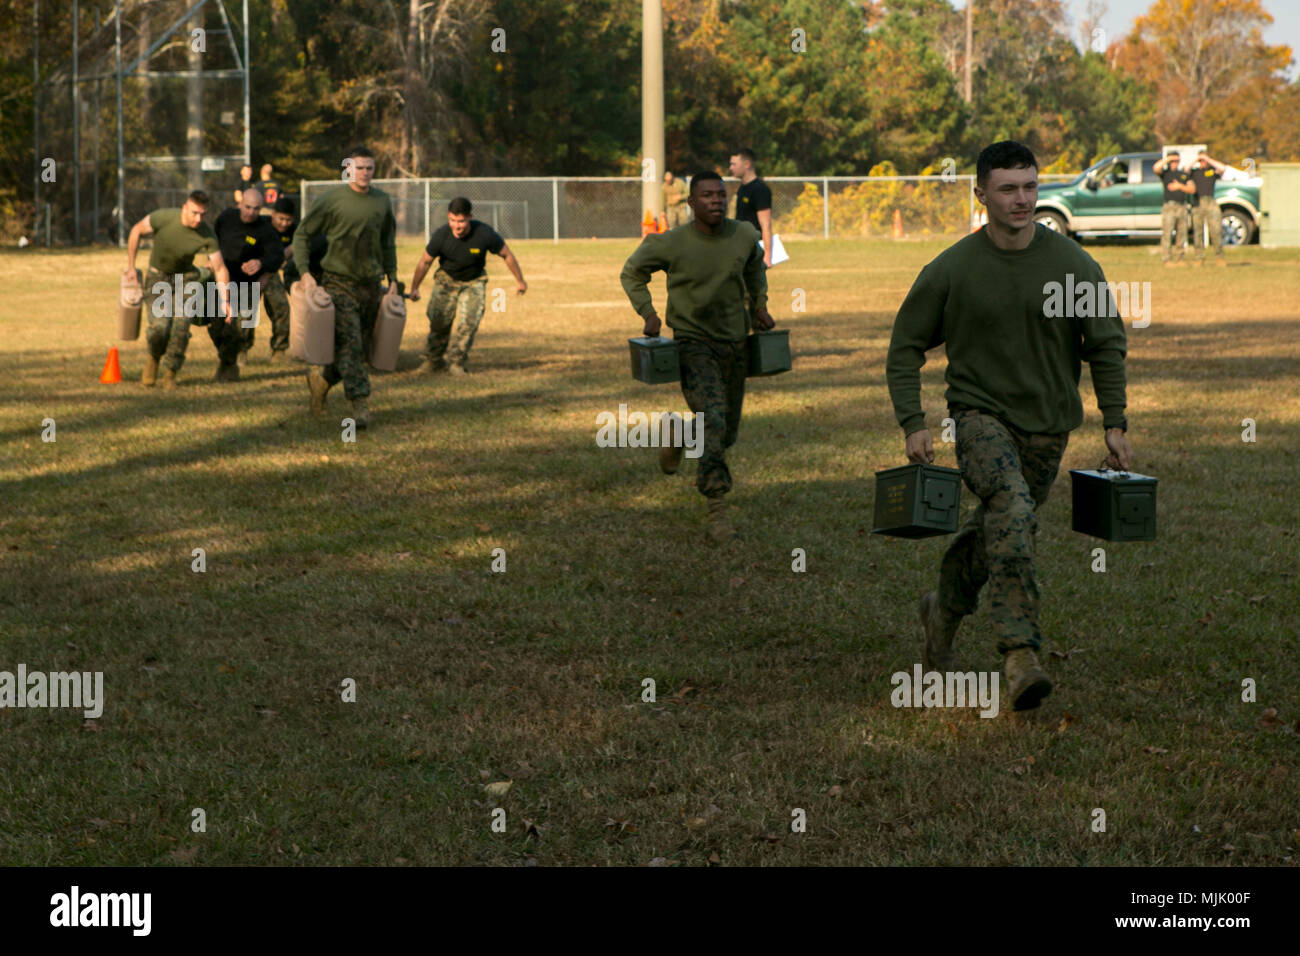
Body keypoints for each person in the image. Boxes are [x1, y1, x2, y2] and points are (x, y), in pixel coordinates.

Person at [886, 140, 1133, 711]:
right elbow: (905, 348)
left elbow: (1105, 345)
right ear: (982, 195)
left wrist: (1114, 420)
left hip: (1050, 427)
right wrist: (913, 421)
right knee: (1014, 511)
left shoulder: (1072, 264)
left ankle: (942, 608)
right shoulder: (952, 268)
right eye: (1008, 189)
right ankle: (1020, 655)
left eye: (1029, 186)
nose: (1022, 200)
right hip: (978, 417)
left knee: (1002, 525)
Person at [619, 170, 773, 545]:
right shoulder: (671, 243)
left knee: (727, 431)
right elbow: (632, 273)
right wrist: (649, 313)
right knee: (715, 422)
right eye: (707, 196)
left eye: (721, 195)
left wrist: (760, 307)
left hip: (735, 343)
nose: (716, 201)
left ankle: (680, 433)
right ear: (691, 203)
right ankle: (717, 512)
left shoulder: (743, 236)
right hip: (693, 343)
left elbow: (755, 271)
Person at [293, 146, 398, 429]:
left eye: (369, 168)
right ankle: (360, 407)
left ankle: (321, 380)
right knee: (350, 346)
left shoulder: (382, 202)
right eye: (359, 167)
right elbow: (302, 234)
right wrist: (305, 273)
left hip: (371, 286)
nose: (365, 173)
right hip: (338, 284)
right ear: (348, 169)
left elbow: (387, 242)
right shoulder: (331, 200)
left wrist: (393, 278)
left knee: (359, 348)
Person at [125, 190, 234, 389]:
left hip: (186, 278)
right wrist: (131, 267)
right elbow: (136, 231)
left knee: (181, 325)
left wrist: (225, 301)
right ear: (185, 208)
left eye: (203, 214)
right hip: (158, 277)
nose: (198, 218)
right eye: (194, 213)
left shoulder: (206, 234)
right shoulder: (164, 218)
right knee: (160, 327)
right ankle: (154, 358)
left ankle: (170, 373)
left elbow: (219, 268)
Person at [407, 197, 527, 376]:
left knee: (468, 324)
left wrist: (520, 281)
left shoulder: (484, 233)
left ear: (470, 217)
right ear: (448, 217)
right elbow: (425, 262)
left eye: (461, 221)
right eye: (453, 221)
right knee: (439, 322)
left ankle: (457, 363)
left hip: (474, 282)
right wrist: (414, 287)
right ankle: (433, 361)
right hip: (446, 280)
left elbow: (507, 255)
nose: (457, 226)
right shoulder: (441, 235)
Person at [212, 187, 284, 379]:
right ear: (240, 204)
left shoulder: (265, 228)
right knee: (218, 321)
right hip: (225, 276)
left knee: (243, 322)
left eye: (256, 209)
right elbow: (212, 240)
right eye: (248, 207)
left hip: (249, 281)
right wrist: (212, 259)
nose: (251, 212)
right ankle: (227, 355)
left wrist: (261, 263)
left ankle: (238, 354)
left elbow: (277, 255)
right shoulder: (226, 217)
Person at [728, 148, 773, 267]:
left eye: (734, 164)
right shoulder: (742, 188)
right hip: (740, 247)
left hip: (753, 249)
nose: (730, 168)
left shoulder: (760, 189)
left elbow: (766, 224)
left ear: (747, 164)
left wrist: (767, 255)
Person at [1153, 151, 1195, 266]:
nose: (1175, 163)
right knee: (1167, 233)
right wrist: (1168, 159)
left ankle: (1180, 258)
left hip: (1182, 206)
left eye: (1177, 161)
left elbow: (1192, 189)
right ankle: (1166, 259)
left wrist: (1180, 186)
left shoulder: (1183, 174)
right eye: (1173, 161)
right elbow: (1156, 168)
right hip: (1169, 206)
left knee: (1182, 233)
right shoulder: (1165, 174)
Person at [1189, 151, 1228, 267]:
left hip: (1210, 201)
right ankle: (1199, 258)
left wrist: (1208, 159)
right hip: (1198, 202)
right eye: (1201, 160)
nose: (1203, 162)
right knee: (1198, 232)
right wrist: (1197, 159)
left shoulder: (1211, 171)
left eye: (1204, 160)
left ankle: (1219, 257)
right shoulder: (1194, 172)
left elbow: (1222, 168)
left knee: (1216, 230)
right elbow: (1185, 169)